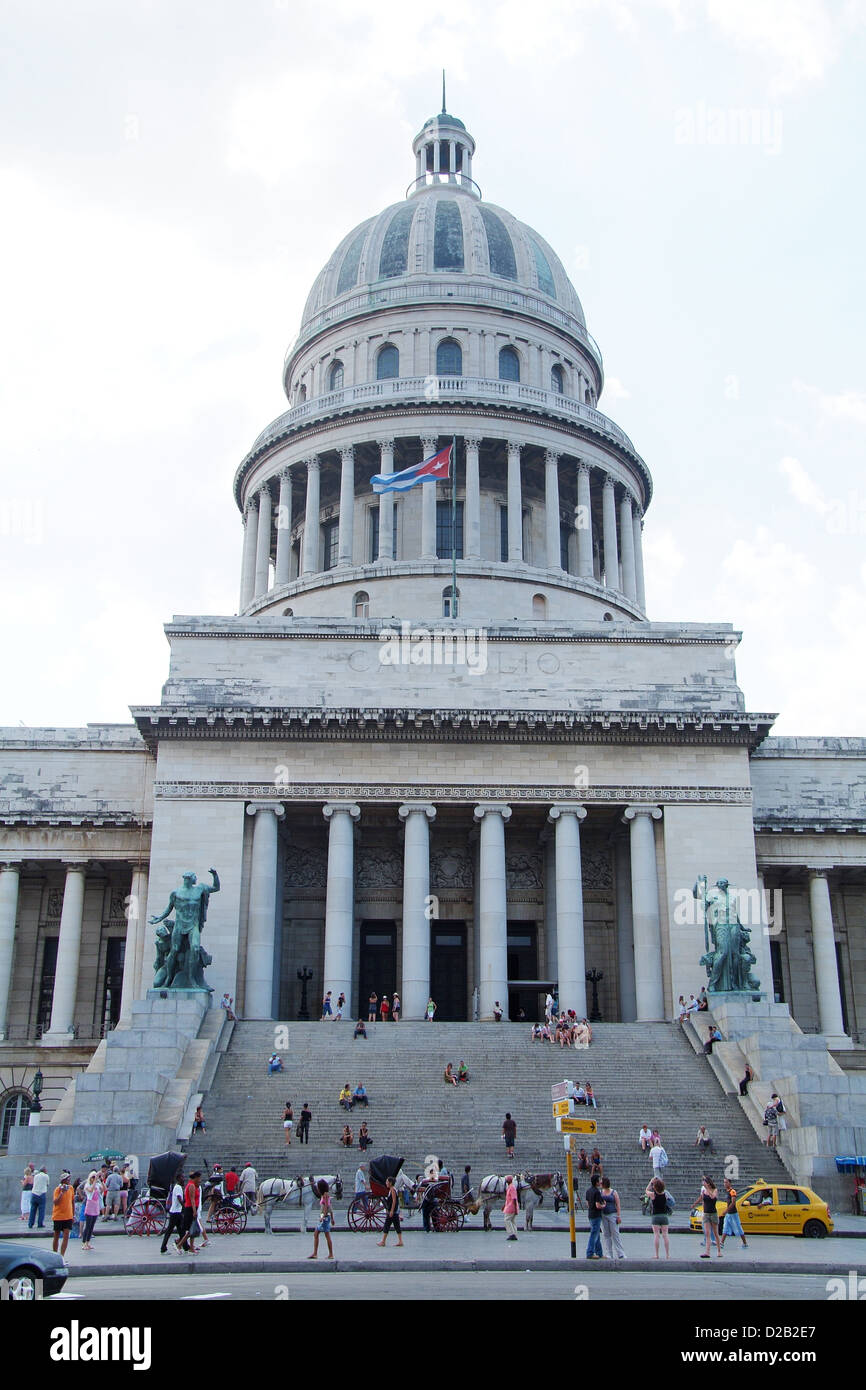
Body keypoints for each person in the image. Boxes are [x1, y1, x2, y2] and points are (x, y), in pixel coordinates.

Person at [600, 1177, 626, 1259]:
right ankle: (609, 1253)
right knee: (606, 1234)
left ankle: (620, 1253)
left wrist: (618, 1215)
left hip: (613, 1214)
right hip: (603, 1215)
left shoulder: (614, 1192)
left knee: (615, 1234)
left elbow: (618, 1204)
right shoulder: (601, 1192)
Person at [720, 1178, 748, 1250]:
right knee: (725, 1227)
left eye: (726, 1182)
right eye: (724, 1182)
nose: (725, 1184)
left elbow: (733, 1203)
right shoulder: (727, 1191)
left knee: (738, 1227)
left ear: (730, 1183)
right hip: (729, 1214)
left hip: (733, 1213)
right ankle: (722, 1243)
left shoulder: (732, 1192)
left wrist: (726, 1210)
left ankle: (745, 1243)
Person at [161, 1170, 186, 1254]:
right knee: (170, 1230)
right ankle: (163, 1248)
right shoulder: (178, 1187)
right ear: (179, 1179)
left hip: (176, 1212)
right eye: (182, 1177)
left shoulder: (177, 1187)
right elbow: (179, 1198)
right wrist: (184, 1207)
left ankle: (186, 1247)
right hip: (176, 1213)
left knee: (181, 1230)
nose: (184, 1179)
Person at [308, 1180, 334, 1259]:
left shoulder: (325, 1195)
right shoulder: (325, 1195)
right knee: (324, 1235)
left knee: (320, 1234)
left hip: (325, 1218)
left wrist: (323, 1217)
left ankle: (328, 1254)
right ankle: (324, 1253)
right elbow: (330, 1207)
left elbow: (327, 1206)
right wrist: (332, 1218)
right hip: (326, 1217)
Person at [646, 1177, 671, 1259]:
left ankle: (657, 1254)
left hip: (655, 1216)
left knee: (656, 1235)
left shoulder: (653, 1195)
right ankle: (667, 1254)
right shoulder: (665, 1194)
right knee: (665, 1235)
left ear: (655, 1187)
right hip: (664, 1215)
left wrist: (651, 1182)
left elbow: (646, 1191)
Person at [698, 1175, 722, 1258]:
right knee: (707, 1233)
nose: (703, 1183)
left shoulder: (714, 1190)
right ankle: (707, 1252)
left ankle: (719, 1251)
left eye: (704, 1182)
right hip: (706, 1214)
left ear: (708, 1183)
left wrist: (708, 1188)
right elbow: (703, 1201)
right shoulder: (703, 1191)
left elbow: (712, 1197)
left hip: (713, 1214)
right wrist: (703, 1211)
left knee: (715, 1233)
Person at [377, 1176, 404, 1247]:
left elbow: (394, 1201)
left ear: (390, 1183)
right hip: (394, 1211)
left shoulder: (392, 1190)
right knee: (396, 1226)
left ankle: (383, 1242)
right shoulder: (392, 1189)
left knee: (387, 1225)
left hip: (393, 1211)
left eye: (387, 1182)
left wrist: (391, 1211)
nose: (386, 1183)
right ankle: (400, 1241)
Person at [52, 1174, 75, 1257]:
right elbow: (55, 1202)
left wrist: (73, 1215)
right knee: (56, 1236)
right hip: (58, 1216)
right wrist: (61, 1193)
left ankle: (62, 1255)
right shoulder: (57, 1190)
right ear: (63, 1180)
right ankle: (55, 1255)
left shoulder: (71, 1188)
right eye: (67, 1179)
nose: (69, 1181)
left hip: (68, 1216)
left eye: (69, 1179)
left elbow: (72, 1202)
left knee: (66, 1236)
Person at [585, 1174, 605, 1258]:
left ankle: (599, 1253)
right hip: (596, 1215)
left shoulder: (588, 1190)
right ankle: (590, 1253)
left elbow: (587, 1203)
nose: (600, 1182)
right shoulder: (597, 1192)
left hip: (590, 1214)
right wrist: (604, 1206)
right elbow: (598, 1205)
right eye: (599, 1180)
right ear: (596, 1182)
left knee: (596, 1234)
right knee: (594, 1234)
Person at [81, 1172, 103, 1250]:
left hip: (95, 1207)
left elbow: (104, 1189)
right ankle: (83, 1243)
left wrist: (101, 1180)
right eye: (92, 1177)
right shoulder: (87, 1185)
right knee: (88, 1226)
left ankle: (88, 1242)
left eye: (94, 1177)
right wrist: (94, 1181)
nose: (94, 1178)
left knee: (92, 1226)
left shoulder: (97, 1185)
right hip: (89, 1206)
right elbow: (90, 1190)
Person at [503, 1175, 519, 1241]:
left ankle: (511, 1234)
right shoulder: (510, 1187)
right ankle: (514, 1234)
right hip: (510, 1206)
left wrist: (515, 1209)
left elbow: (514, 1198)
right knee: (512, 1221)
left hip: (511, 1207)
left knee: (507, 1220)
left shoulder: (512, 1187)